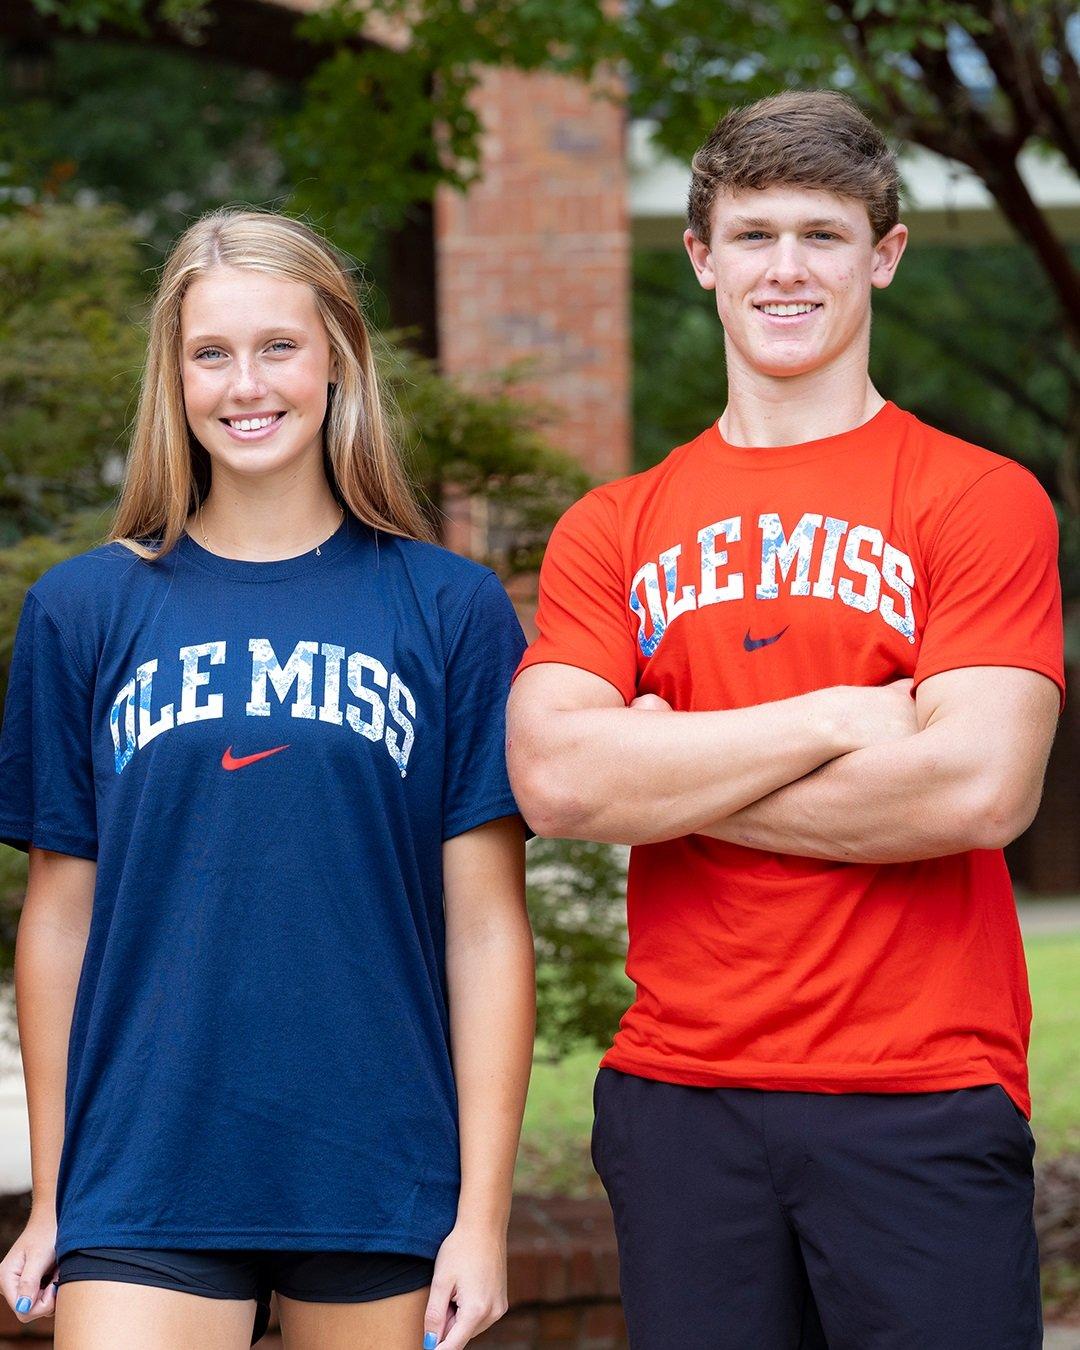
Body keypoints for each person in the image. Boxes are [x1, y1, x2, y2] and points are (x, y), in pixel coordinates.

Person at [507, 91, 1063, 1349]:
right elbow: (559, 786)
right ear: (701, 257)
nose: (787, 269)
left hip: (920, 1091)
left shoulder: (978, 500)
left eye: (823, 233)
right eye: (753, 235)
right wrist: (840, 718)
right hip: (681, 1097)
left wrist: (670, 767)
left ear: (885, 253)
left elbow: (974, 792)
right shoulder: (616, 525)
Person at [0, 209, 534, 1350]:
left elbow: (485, 931)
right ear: (176, 376)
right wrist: (55, 1194)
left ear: (336, 358)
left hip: (377, 1166)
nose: (247, 384)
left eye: (278, 346)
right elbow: (58, 923)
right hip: (145, 1165)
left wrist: (480, 1219)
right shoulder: (85, 611)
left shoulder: (450, 611)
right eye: (211, 353)